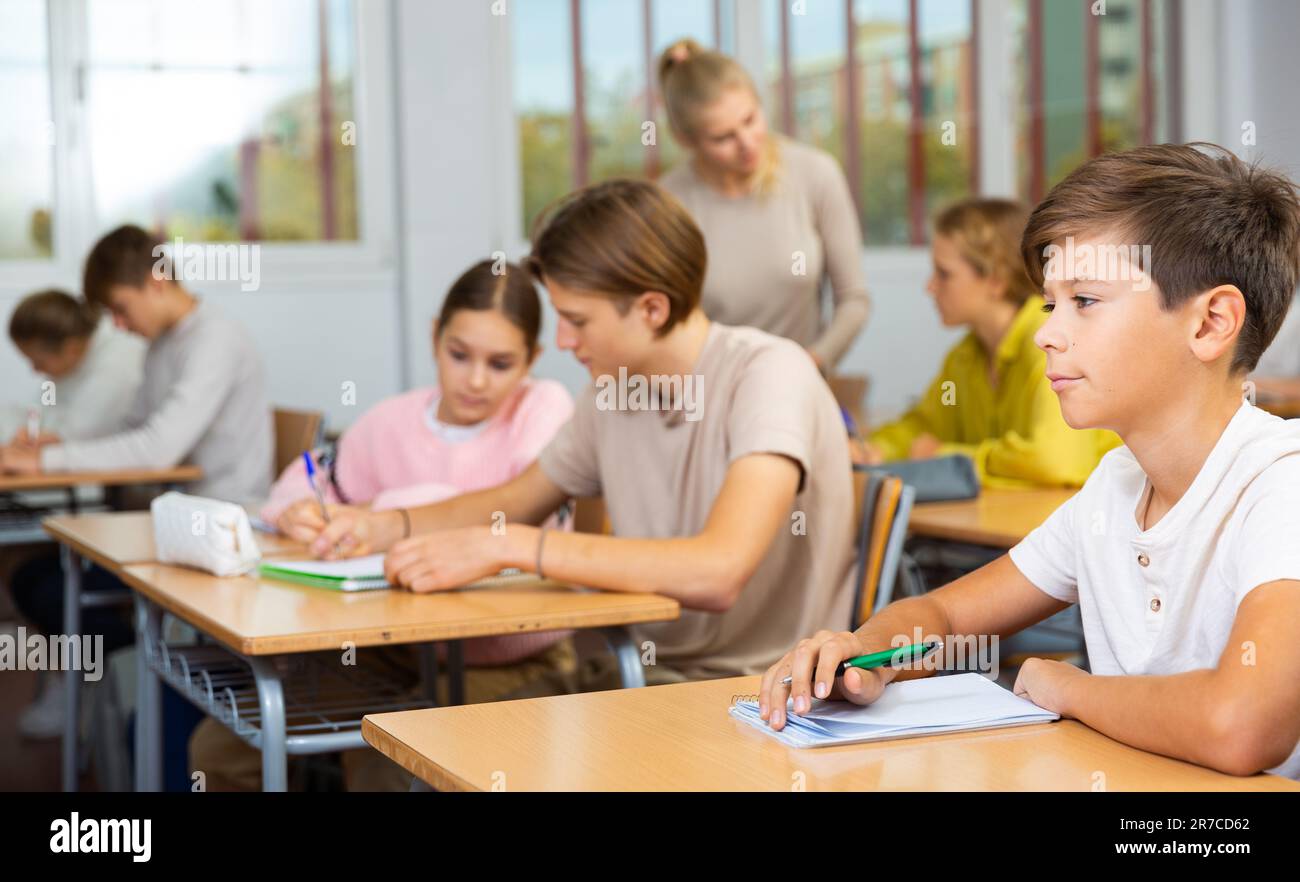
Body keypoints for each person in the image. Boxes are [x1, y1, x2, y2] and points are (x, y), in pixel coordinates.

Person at [760, 143, 1300, 779]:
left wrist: (1067, 688)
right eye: (1050, 303)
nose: (1046, 331)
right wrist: (862, 654)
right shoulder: (1115, 489)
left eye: (1086, 301)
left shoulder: (1279, 485)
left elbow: (1243, 725)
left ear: (1211, 324)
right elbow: (946, 617)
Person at [656, 38, 870, 373]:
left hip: (802, 381)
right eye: (723, 137)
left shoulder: (815, 174)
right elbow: (663, 321)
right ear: (687, 140)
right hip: (709, 391)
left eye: (750, 119)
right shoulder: (668, 202)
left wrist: (810, 363)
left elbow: (854, 300)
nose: (747, 142)